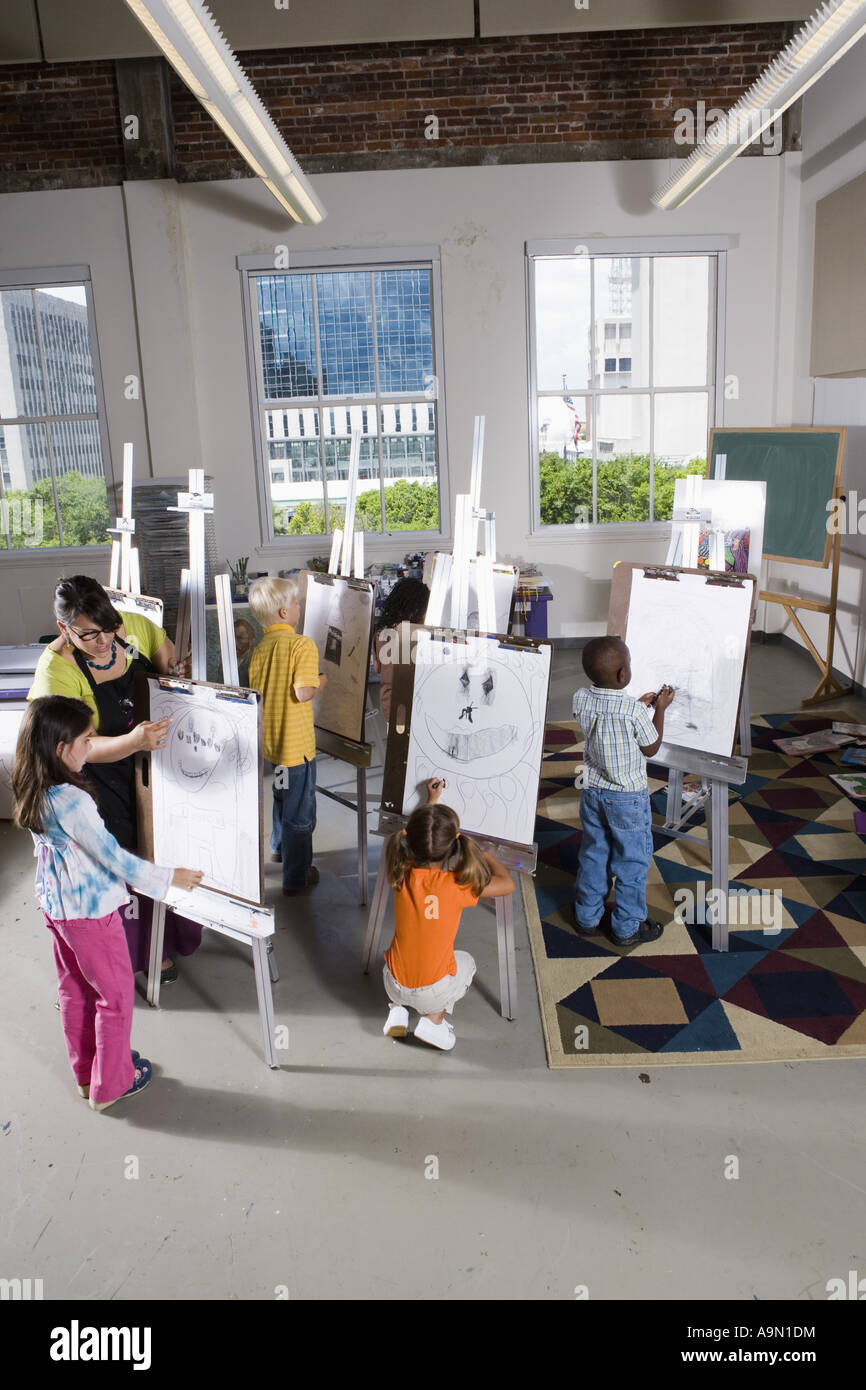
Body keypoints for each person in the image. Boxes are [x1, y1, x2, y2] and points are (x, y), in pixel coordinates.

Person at [12, 696, 203, 1111]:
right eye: (87, 740)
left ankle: (88, 1073)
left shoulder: (31, 783)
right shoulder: (74, 801)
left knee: (74, 990)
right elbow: (115, 859)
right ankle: (111, 1085)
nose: (91, 746)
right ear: (61, 749)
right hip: (89, 913)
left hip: (56, 906)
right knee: (115, 997)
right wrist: (172, 878)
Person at [28, 575, 202, 982]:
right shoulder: (57, 671)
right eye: (89, 636)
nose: (104, 641)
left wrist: (180, 673)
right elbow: (79, 747)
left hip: (158, 765)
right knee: (124, 856)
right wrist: (132, 740)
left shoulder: (133, 626)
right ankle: (135, 954)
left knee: (162, 845)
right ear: (64, 629)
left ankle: (168, 939)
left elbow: (167, 662)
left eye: (108, 629)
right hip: (99, 778)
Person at [381, 778, 514, 1050]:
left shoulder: (401, 871)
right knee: (466, 962)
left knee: (405, 963)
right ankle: (433, 1022)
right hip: (431, 993)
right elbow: (507, 884)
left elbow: (421, 837)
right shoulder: (457, 886)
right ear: (455, 844)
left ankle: (397, 1011)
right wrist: (485, 853)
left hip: (391, 981)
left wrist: (431, 801)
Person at [572, 636, 674, 947]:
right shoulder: (632, 712)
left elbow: (607, 720)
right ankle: (627, 926)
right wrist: (659, 710)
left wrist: (640, 707)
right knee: (631, 861)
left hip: (592, 792)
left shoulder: (580, 698)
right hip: (627, 799)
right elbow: (651, 747)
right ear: (623, 675)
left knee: (594, 852)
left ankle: (587, 918)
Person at [248, 576, 327, 896]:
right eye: (295, 603)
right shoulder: (301, 644)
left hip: (274, 748)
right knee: (300, 813)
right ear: (283, 612)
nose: (299, 607)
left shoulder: (260, 650)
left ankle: (278, 848)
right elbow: (303, 691)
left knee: (281, 799)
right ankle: (296, 876)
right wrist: (323, 680)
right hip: (297, 750)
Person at [372, 577, 430, 725]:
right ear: (415, 609)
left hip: (389, 704)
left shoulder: (381, 632)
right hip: (409, 709)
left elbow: (378, 668)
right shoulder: (412, 636)